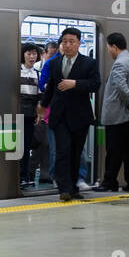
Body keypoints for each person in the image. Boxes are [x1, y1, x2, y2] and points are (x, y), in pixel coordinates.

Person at [38, 27, 101, 202]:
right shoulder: (54, 63)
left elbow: (95, 84)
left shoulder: (89, 63)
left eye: (71, 42)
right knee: (62, 151)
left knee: (76, 152)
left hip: (80, 116)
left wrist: (75, 84)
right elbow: (51, 86)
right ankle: (64, 189)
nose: (67, 45)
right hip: (59, 116)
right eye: (64, 42)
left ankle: (73, 187)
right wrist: (43, 105)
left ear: (79, 43)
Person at [96, 32, 129, 193]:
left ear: (114, 47)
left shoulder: (119, 64)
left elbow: (121, 87)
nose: (108, 50)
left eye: (108, 47)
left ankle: (109, 182)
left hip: (117, 116)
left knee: (114, 151)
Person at [33, 40, 58, 185]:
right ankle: (30, 173)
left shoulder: (56, 67)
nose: (53, 58)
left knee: (48, 145)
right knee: (39, 145)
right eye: (51, 54)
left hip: (48, 111)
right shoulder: (38, 68)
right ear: (44, 54)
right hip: (41, 110)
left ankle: (46, 175)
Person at [18, 43, 40, 188]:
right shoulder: (17, 71)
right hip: (17, 112)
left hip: (31, 114)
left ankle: (24, 176)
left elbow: (39, 95)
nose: (32, 57)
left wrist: (39, 112)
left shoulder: (37, 73)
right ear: (23, 55)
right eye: (28, 54)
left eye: (34, 54)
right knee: (17, 147)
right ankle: (19, 176)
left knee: (26, 147)